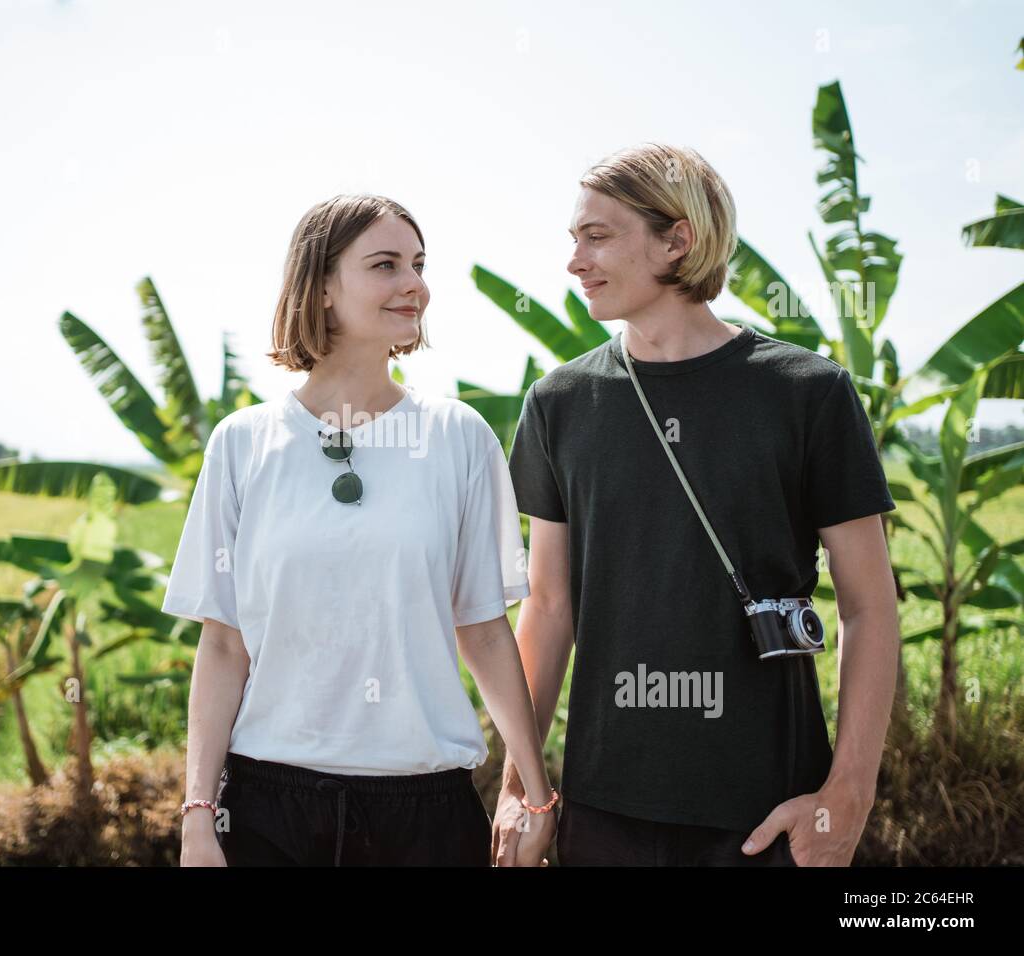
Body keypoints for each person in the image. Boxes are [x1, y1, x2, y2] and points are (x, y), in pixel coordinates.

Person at [494, 143, 900, 866]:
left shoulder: (808, 394)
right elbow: (550, 606)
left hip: (768, 818)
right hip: (605, 814)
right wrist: (521, 787)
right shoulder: (558, 405)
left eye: (597, 235)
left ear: (676, 239)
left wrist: (849, 795)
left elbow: (870, 606)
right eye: (573, 238)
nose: (574, 260)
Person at [165, 194, 558, 867]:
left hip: (428, 815)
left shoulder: (459, 438)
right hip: (268, 809)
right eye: (385, 265)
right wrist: (199, 815)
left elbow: (485, 630)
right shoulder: (242, 444)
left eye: (419, 264)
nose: (415, 285)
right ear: (321, 287)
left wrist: (536, 794)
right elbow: (224, 644)